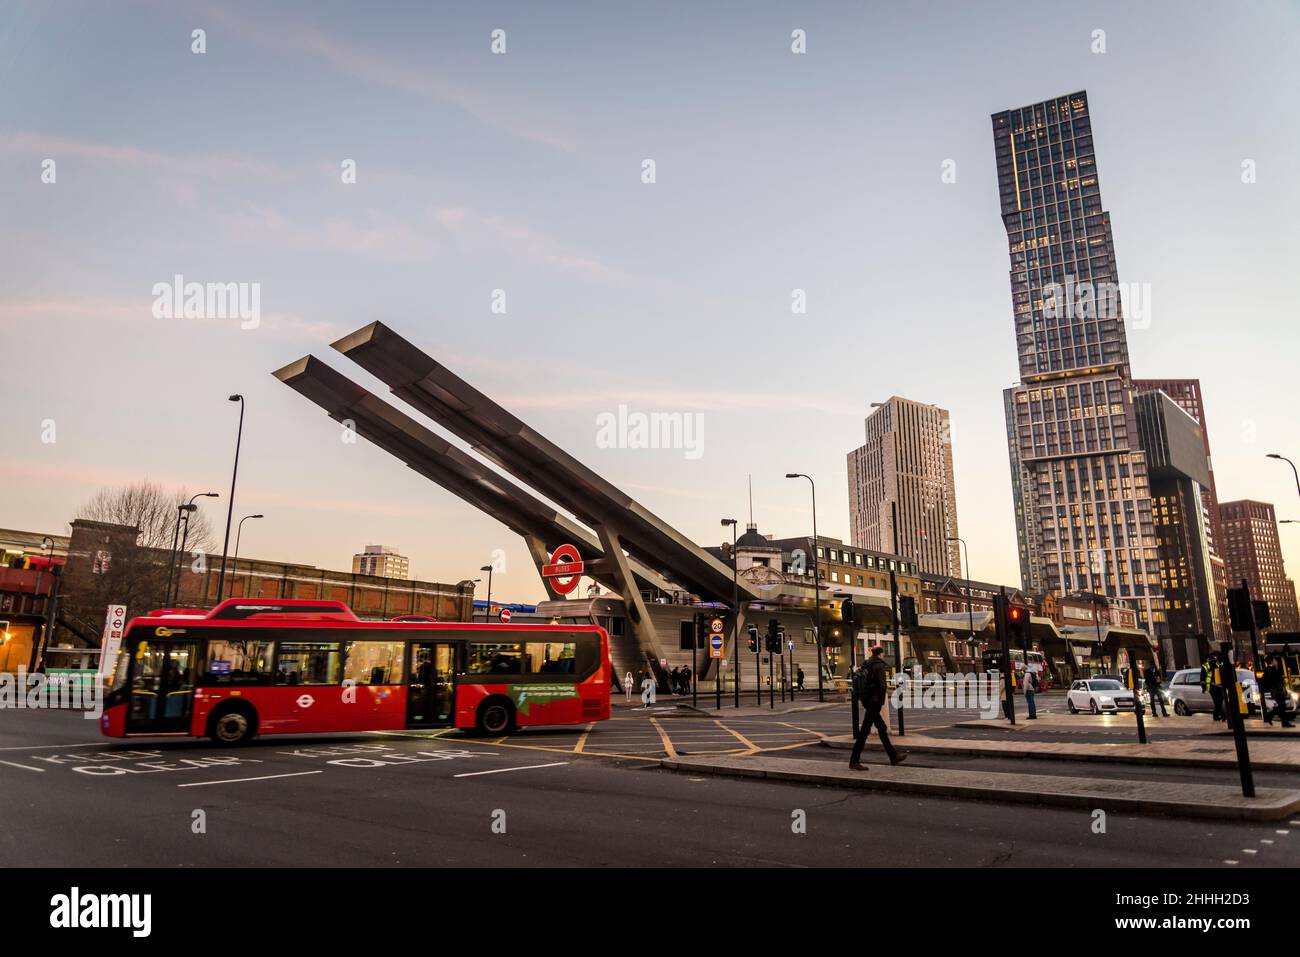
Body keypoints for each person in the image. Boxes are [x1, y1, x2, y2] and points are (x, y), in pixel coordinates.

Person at [848, 646, 906, 770]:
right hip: (874, 702)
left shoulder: (866, 663)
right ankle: (854, 761)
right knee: (864, 732)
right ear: (881, 654)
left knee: (881, 728)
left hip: (867, 700)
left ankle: (893, 756)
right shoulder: (879, 666)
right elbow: (882, 686)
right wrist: (880, 703)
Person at [1260, 657, 1294, 727]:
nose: (1276, 662)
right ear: (1272, 661)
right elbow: (1278, 680)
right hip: (1277, 691)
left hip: (1274, 691)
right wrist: (1281, 688)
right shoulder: (1272, 670)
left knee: (1281, 706)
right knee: (1282, 706)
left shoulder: (1267, 670)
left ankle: (1280, 721)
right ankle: (1270, 716)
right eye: (1275, 660)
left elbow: (1264, 681)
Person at [1204, 654, 1225, 722]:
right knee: (1218, 702)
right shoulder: (1213, 665)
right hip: (1213, 687)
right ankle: (1222, 716)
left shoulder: (1215, 665)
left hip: (1215, 686)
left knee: (1218, 702)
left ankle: (1217, 716)